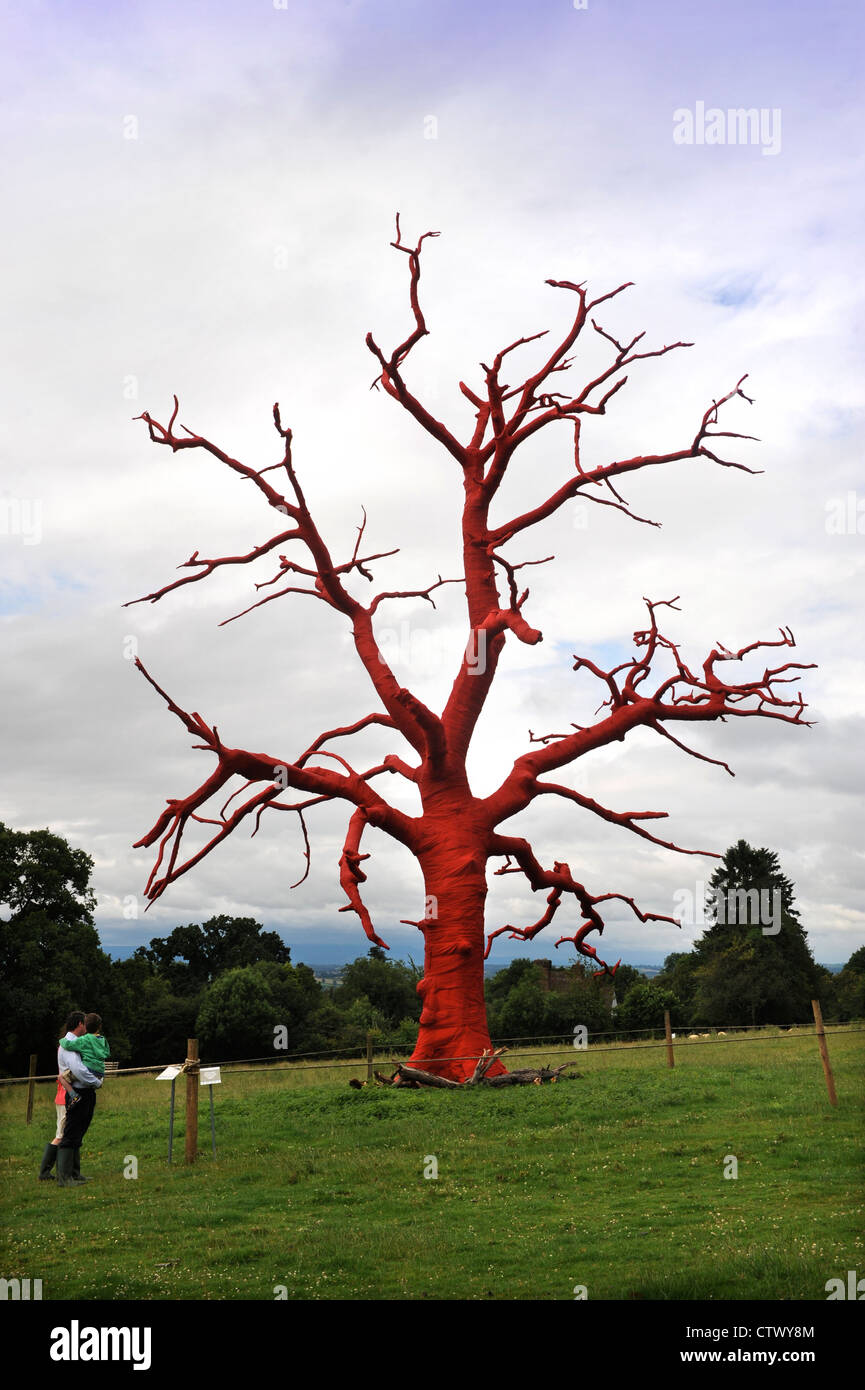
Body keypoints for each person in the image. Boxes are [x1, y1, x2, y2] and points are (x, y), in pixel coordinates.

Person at [55, 1009, 103, 1187]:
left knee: (79, 1131)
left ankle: (75, 1174)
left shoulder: (79, 1042)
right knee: (71, 1132)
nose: (87, 1026)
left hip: (86, 1091)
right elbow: (78, 1069)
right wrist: (96, 1082)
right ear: (80, 1025)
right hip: (78, 1091)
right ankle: (64, 1178)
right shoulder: (69, 1044)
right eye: (85, 1023)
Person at [58, 1012, 110, 1079]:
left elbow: (69, 1045)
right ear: (99, 1027)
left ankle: (69, 1089)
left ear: (85, 1025)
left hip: (89, 1070)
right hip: (100, 1071)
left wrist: (62, 1040)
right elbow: (107, 1053)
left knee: (64, 1078)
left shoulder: (85, 1039)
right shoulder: (103, 1039)